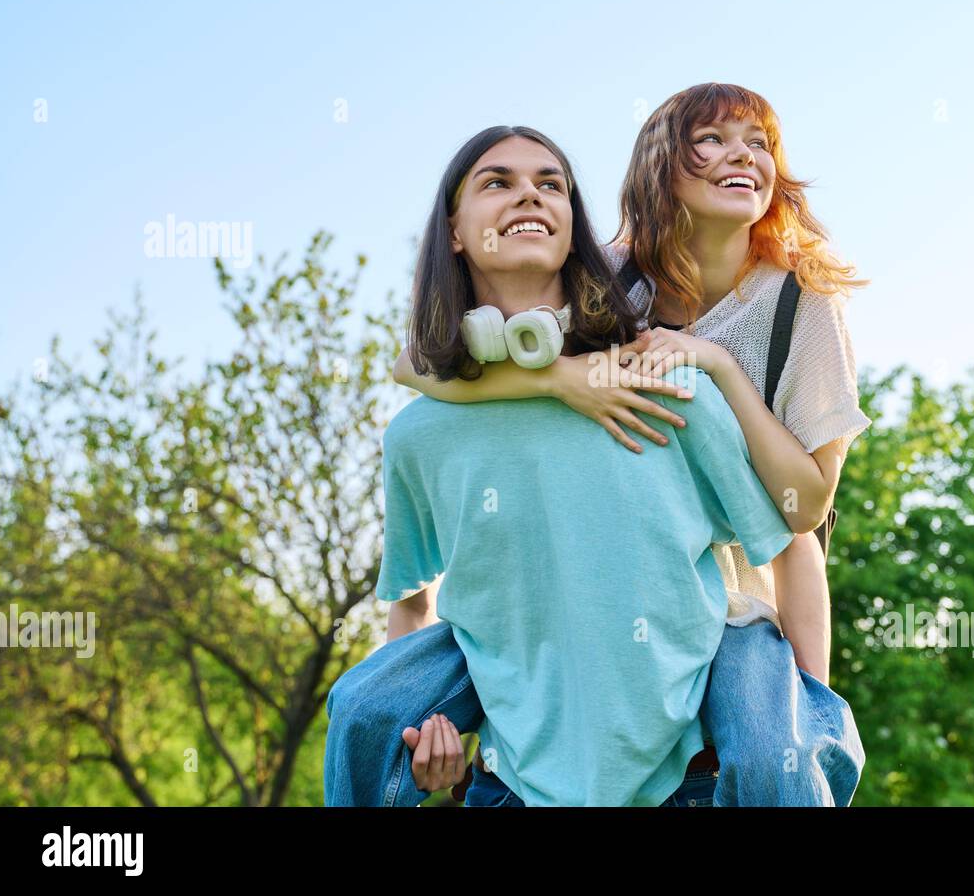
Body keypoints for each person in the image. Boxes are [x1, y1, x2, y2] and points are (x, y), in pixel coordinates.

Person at [324, 124, 847, 806]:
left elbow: (791, 536)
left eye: (551, 185)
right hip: (508, 785)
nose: (529, 197)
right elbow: (413, 601)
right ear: (454, 231)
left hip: (687, 781)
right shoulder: (420, 434)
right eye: (497, 182)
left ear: (575, 229)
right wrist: (428, 737)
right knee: (361, 710)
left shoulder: (667, 390)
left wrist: (809, 715)